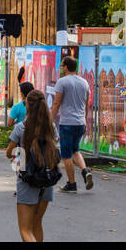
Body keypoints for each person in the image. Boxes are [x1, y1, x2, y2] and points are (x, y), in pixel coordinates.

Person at [5, 89, 60, 241]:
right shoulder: (51, 127)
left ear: (27, 106)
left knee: (25, 229)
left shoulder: (21, 128)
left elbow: (9, 153)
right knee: (37, 224)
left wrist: (19, 156)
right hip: (47, 179)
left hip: (27, 180)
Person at [49, 55, 93, 192]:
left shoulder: (62, 82)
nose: (61, 68)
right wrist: (84, 121)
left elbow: (56, 103)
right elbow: (86, 104)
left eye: (62, 66)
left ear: (66, 67)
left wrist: (49, 120)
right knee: (75, 150)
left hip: (67, 123)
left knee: (66, 154)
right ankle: (85, 171)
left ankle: (71, 183)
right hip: (80, 122)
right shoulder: (84, 82)